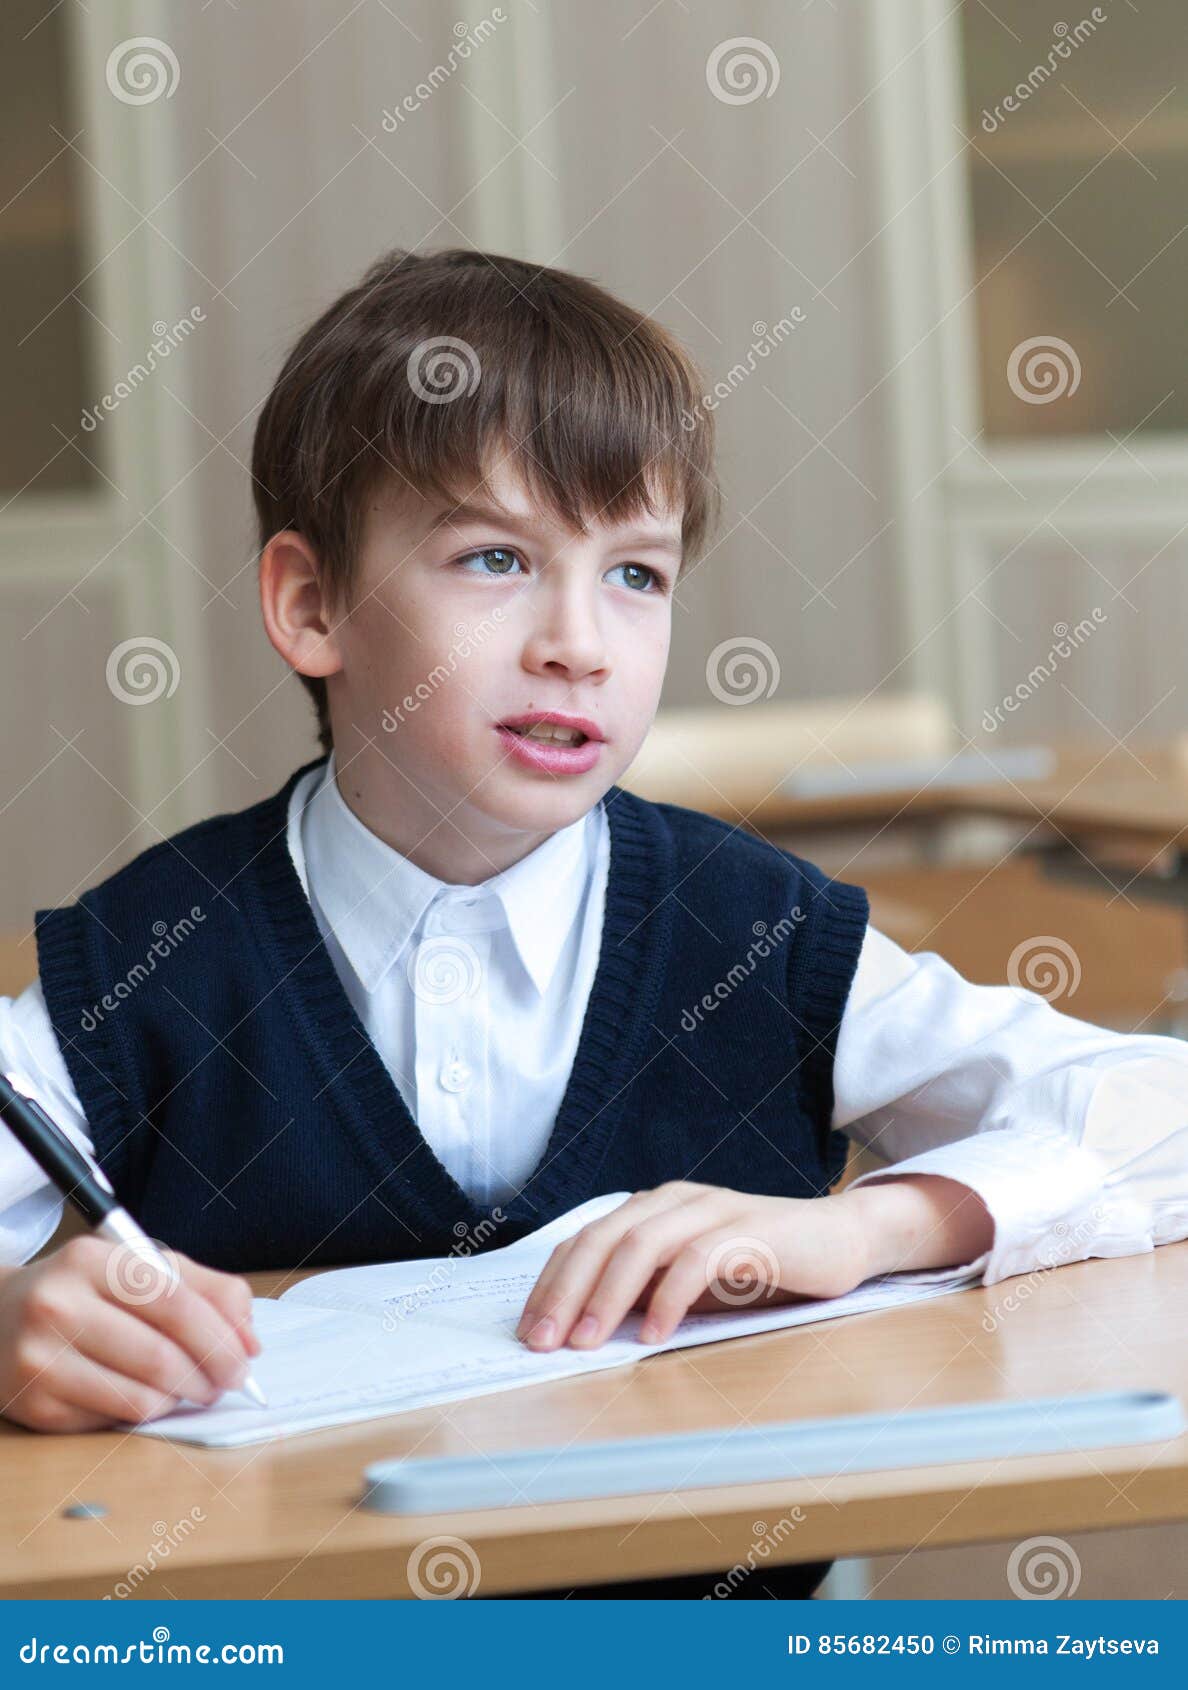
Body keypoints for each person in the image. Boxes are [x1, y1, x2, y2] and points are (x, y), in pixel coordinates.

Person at [1, 248, 1185, 1600]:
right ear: (312, 603)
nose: (580, 640)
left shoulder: (751, 930)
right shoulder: (163, 952)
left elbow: (1160, 1109)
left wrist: (870, 1227)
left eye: (637, 573)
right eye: (496, 558)